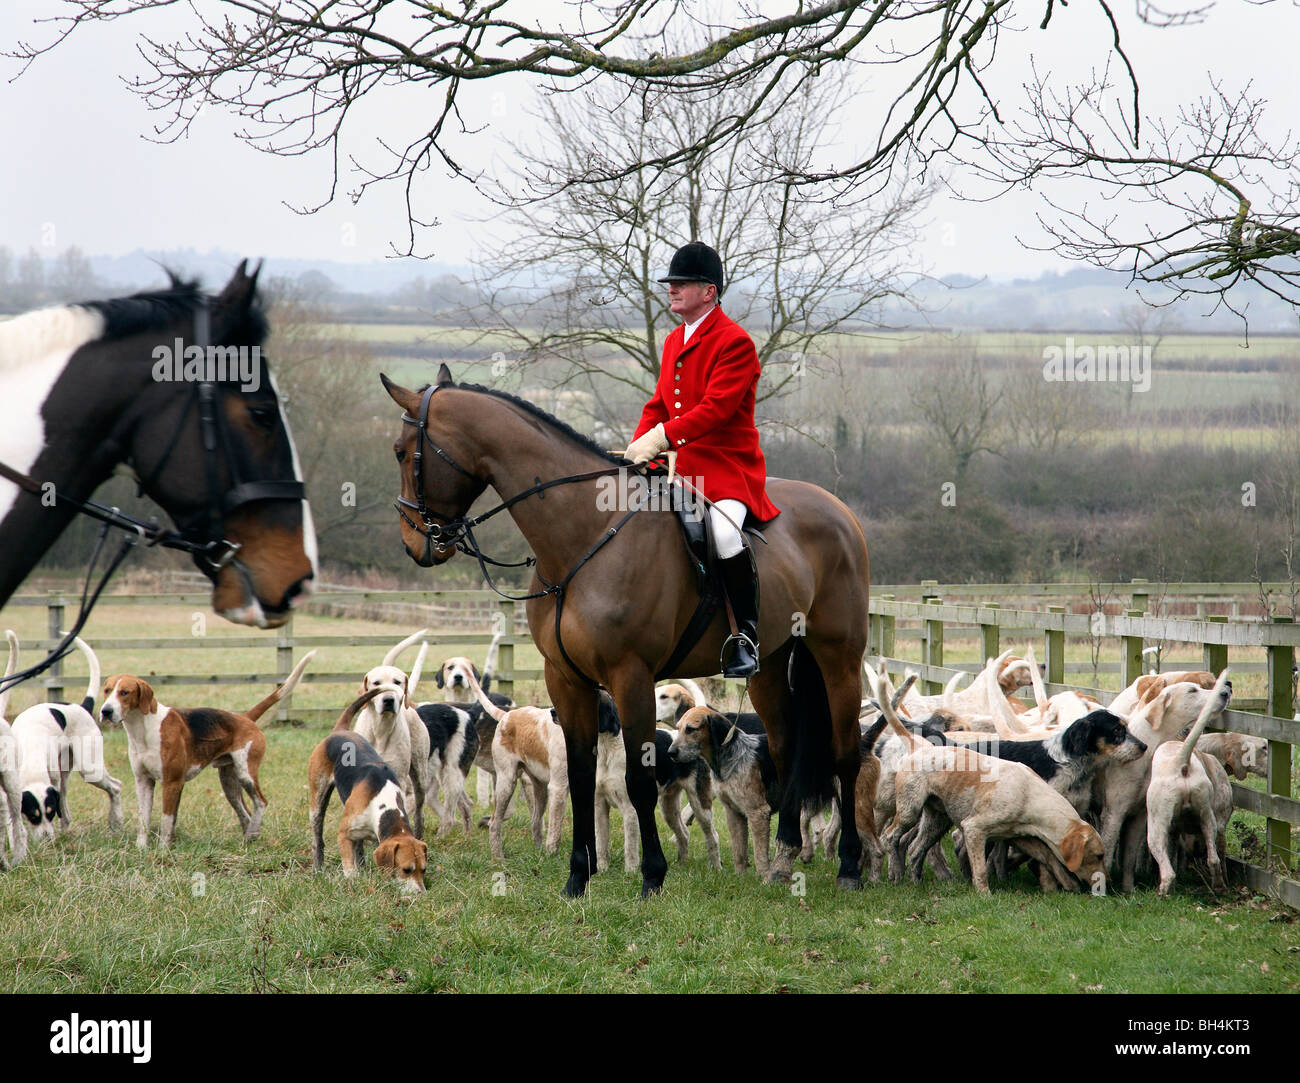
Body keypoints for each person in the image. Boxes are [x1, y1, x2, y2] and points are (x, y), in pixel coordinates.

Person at [623, 241, 780, 678]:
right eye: (670, 283)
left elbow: (716, 409)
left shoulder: (736, 343)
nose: (671, 289)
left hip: (728, 469)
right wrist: (641, 448)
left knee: (724, 534)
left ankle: (745, 636)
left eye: (681, 283)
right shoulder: (675, 339)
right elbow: (659, 403)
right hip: (684, 470)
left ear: (708, 291)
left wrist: (662, 437)